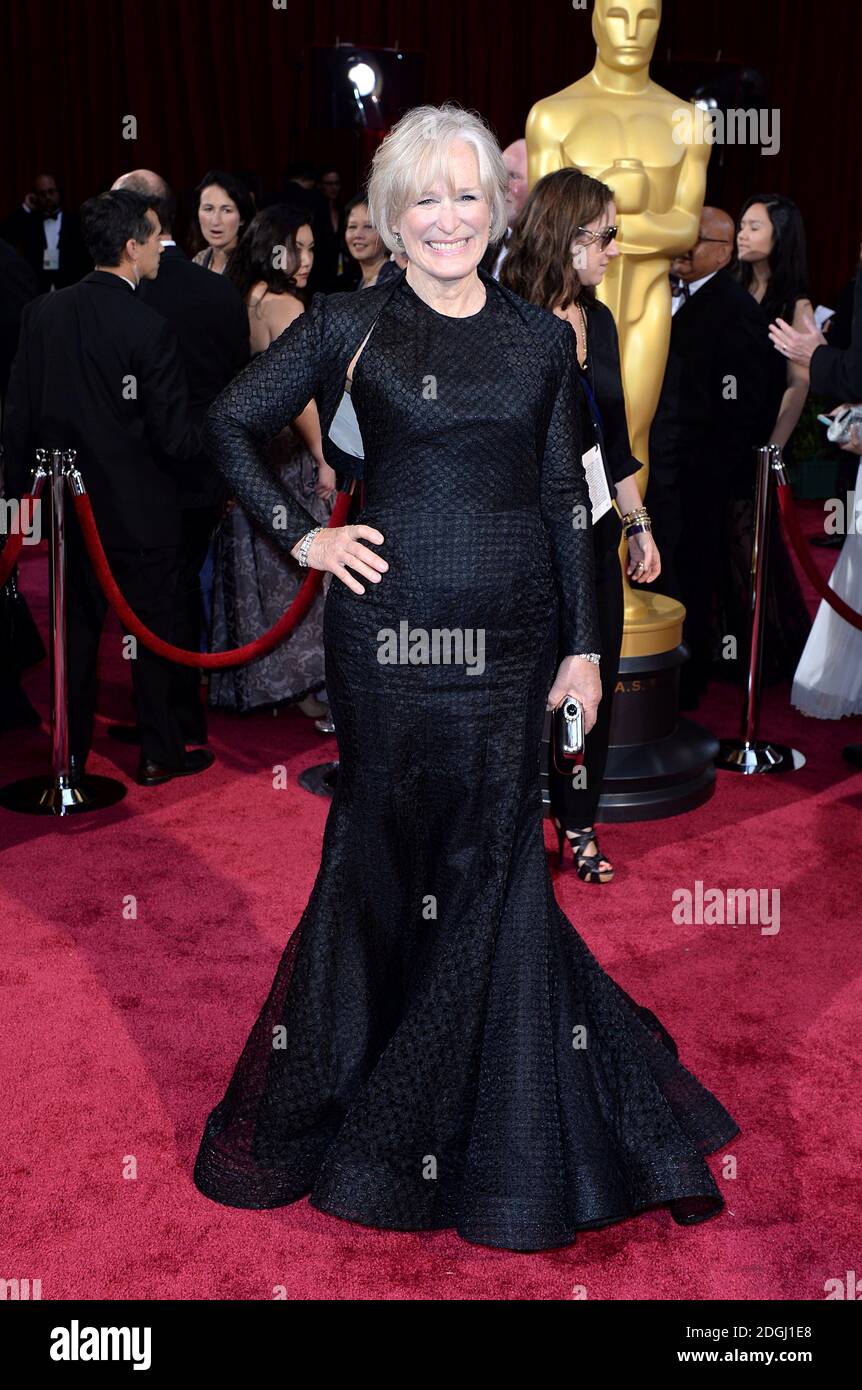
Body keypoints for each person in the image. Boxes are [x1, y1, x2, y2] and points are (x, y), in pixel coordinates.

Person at [192, 103, 738, 1253]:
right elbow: (228, 422)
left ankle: (479, 1111)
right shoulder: (346, 322)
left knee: (492, 856)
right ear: (390, 215)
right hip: (386, 640)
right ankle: (372, 1082)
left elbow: (561, 505)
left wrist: (586, 648)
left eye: (466, 195)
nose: (446, 217)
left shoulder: (544, 339)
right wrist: (306, 537)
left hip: (511, 643)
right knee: (384, 849)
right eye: (422, 198)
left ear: (498, 209)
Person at [2, 189, 212, 787]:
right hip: (142, 516)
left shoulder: (42, 314)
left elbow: (18, 417)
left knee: (75, 636)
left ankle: (67, 757)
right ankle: (158, 754)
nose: (160, 251)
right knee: (152, 637)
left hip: (69, 516)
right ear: (130, 247)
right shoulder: (149, 327)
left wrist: (17, 500)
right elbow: (175, 439)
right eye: (154, 240)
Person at [501, 168, 659, 883]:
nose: (615, 251)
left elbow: (617, 438)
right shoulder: (505, 316)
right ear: (564, 238)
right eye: (605, 237)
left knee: (595, 674)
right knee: (527, 682)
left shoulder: (598, 320)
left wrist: (638, 524)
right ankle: (513, 823)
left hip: (594, 529)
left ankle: (579, 820)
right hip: (527, 536)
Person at [106, 169, 251, 749]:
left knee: (149, 596)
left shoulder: (123, 288)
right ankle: (176, 719)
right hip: (200, 473)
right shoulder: (216, 290)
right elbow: (239, 384)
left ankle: (162, 726)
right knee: (180, 589)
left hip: (137, 475)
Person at [642, 207, 774, 707]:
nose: (683, 245)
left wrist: (712, 472)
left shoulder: (734, 308)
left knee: (692, 575)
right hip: (668, 463)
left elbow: (744, 405)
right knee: (673, 567)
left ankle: (685, 683)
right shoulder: (663, 292)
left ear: (722, 250)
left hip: (700, 474)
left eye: (694, 238)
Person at [208, 206, 335, 717]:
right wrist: (326, 456)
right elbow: (302, 398)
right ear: (273, 247)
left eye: (310, 249)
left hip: (253, 452)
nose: (305, 260)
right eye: (297, 248)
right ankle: (312, 686)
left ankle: (277, 685)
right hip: (291, 452)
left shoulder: (247, 297)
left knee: (264, 568)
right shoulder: (285, 305)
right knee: (307, 566)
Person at [722, 195, 812, 683]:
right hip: (723, 432)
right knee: (724, 542)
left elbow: (799, 385)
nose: (742, 234)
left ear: (779, 235)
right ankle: (730, 648)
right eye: (741, 225)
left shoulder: (794, 304)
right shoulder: (730, 288)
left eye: (754, 227)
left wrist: (773, 445)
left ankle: (769, 651)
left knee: (754, 547)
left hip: (762, 438)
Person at [1, 172, 91, 293]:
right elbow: (6, 236)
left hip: (69, 289)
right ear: (35, 196)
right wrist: (26, 207)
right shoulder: (30, 223)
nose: (48, 197)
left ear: (59, 192)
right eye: (42, 194)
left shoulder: (75, 222)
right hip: (38, 290)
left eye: (51, 192)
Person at [480, 138, 528, 279]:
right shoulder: (483, 240)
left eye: (514, 176)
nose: (501, 185)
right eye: (499, 174)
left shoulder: (547, 260)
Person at [191, 170, 255, 275]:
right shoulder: (199, 260)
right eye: (208, 209)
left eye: (227, 210)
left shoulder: (254, 264)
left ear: (242, 218)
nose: (216, 221)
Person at [334, 195, 400, 291]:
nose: (357, 234)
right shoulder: (354, 281)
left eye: (368, 226)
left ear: (385, 232)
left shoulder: (394, 281)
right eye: (352, 226)